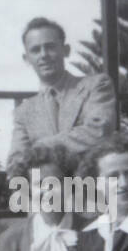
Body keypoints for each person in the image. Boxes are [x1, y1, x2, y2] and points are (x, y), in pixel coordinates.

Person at [7, 17, 116, 172]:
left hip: (92, 187)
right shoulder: (24, 112)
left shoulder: (96, 86)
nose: (44, 55)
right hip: (48, 191)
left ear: (66, 50)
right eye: (35, 50)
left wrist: (40, 147)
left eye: (50, 47)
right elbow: (15, 161)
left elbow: (99, 131)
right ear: (27, 59)